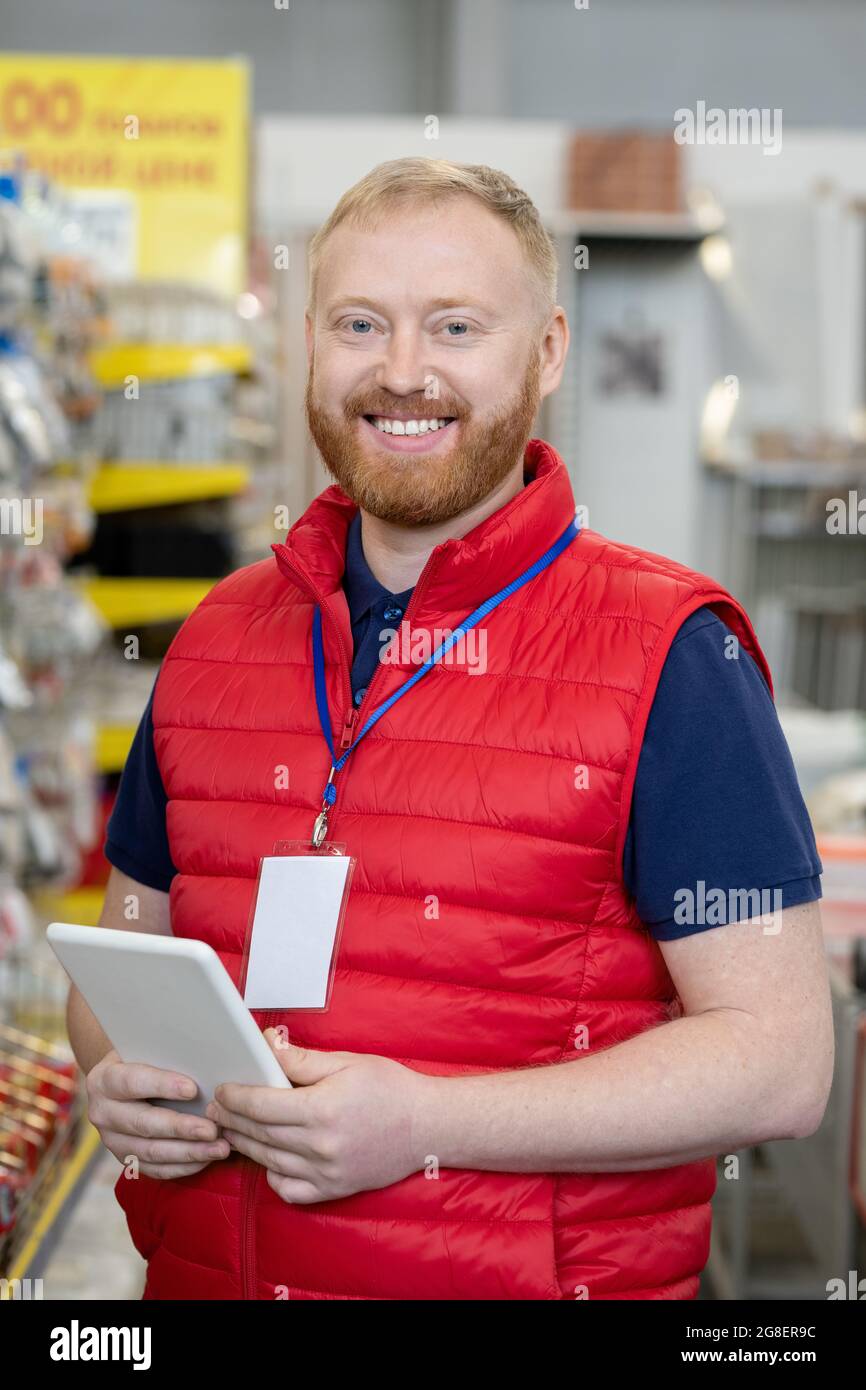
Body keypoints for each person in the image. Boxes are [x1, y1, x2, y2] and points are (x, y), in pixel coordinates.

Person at [67, 157, 833, 1301]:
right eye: (360, 323)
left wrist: (426, 1121)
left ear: (547, 352)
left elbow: (778, 1063)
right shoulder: (218, 635)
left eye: (456, 325)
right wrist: (117, 1076)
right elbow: (120, 964)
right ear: (310, 349)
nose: (403, 372)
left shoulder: (670, 653)